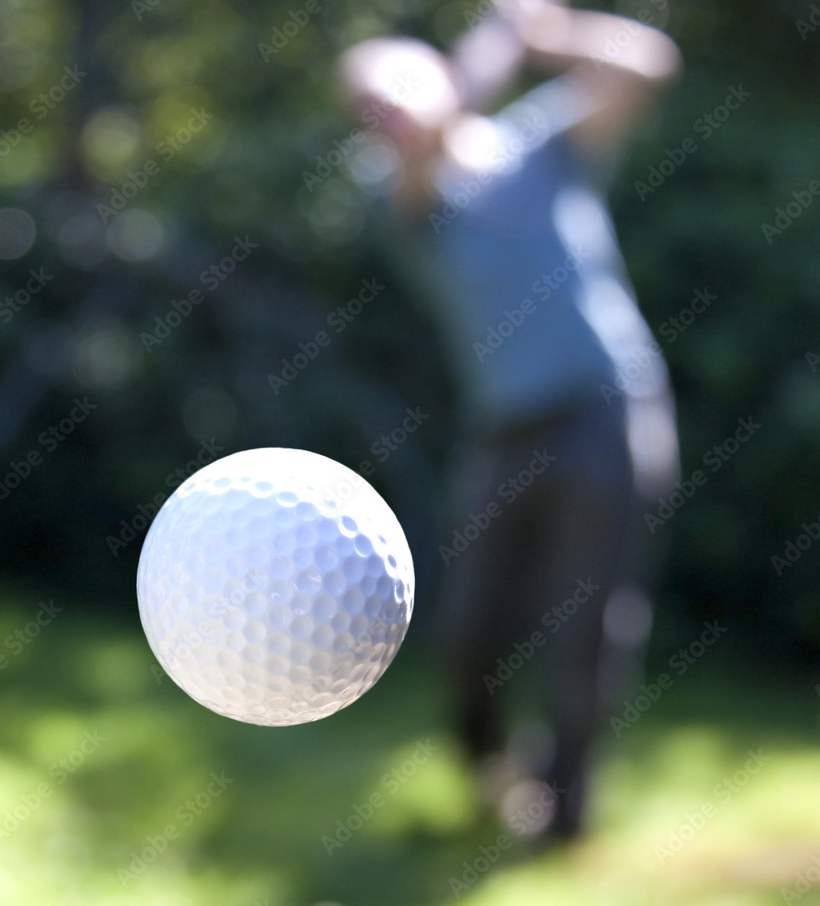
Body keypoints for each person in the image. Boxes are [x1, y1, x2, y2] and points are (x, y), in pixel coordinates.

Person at [337, 0, 682, 839]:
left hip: (608, 408)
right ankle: (495, 773)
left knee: (588, 628)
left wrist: (549, 34)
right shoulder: (397, 194)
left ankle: (566, 812)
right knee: (467, 637)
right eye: (367, 109)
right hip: (504, 435)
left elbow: (650, 64)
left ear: (435, 73)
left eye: (393, 93)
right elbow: (431, 136)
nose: (385, 116)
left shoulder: (540, 146)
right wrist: (493, 42)